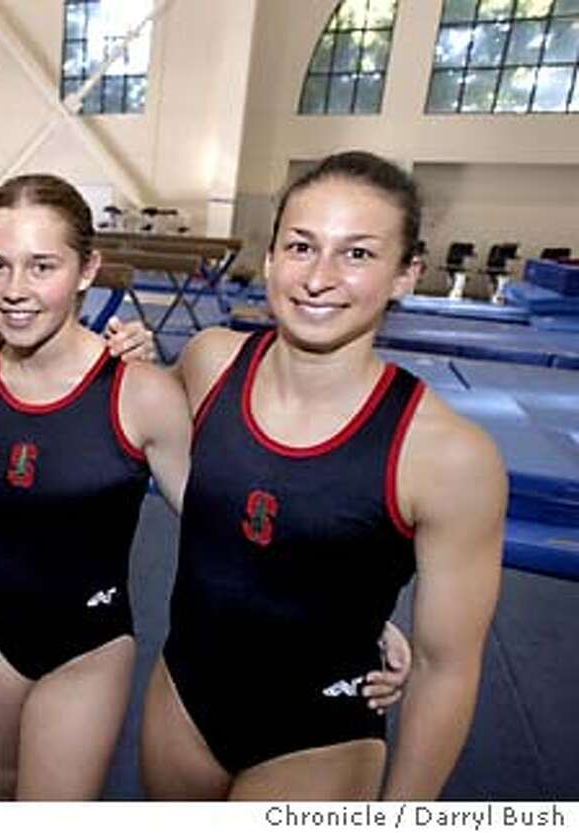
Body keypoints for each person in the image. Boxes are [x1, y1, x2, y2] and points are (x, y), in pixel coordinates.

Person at [139, 150, 506, 800]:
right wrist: (129, 353)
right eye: (302, 246)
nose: (319, 276)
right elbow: (152, 434)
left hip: (318, 735)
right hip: (182, 701)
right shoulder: (210, 360)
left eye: (358, 254)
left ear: (405, 273)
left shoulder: (449, 456)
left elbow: (447, 669)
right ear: (273, 256)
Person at [0, 173, 194, 799]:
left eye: (41, 266)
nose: (14, 291)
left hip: (88, 643)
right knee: (5, 786)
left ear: (87, 269)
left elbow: (220, 521)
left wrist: (346, 609)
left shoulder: (140, 395)